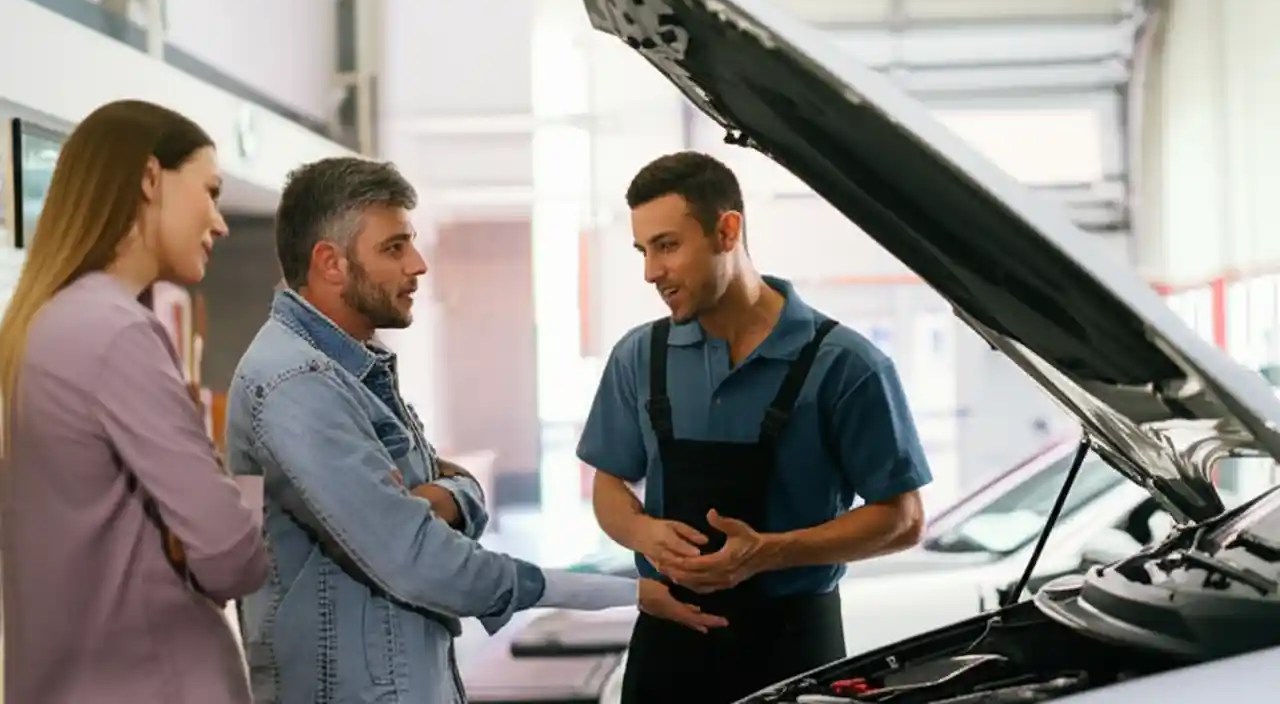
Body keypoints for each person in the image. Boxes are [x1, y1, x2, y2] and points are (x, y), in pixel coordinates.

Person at [225, 156, 637, 704]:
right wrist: (617, 593)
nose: (418, 264)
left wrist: (448, 498)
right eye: (394, 248)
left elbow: (456, 486)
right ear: (330, 263)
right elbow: (417, 559)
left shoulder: (356, 369)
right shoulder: (295, 383)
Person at [578, 151, 935, 703]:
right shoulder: (639, 357)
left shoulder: (845, 365)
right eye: (643, 251)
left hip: (796, 649)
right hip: (667, 644)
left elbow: (903, 519)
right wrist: (642, 533)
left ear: (727, 230)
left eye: (668, 246)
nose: (651, 272)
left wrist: (769, 551)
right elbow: (609, 485)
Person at [0, 100, 268, 704]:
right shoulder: (118, 332)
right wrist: (248, 497)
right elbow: (232, 557)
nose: (221, 222)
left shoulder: (38, 327)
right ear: (150, 179)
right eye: (211, 191)